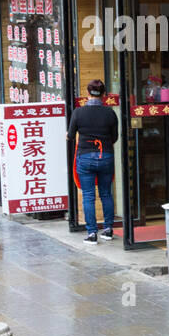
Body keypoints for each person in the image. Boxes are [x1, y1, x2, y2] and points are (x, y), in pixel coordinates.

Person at [67, 79, 118, 243]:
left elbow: (70, 134)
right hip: (106, 156)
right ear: (104, 95)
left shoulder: (78, 113)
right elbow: (114, 137)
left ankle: (92, 234)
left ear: (88, 94)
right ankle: (108, 229)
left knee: (88, 195)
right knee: (106, 193)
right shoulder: (110, 113)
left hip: (85, 157)